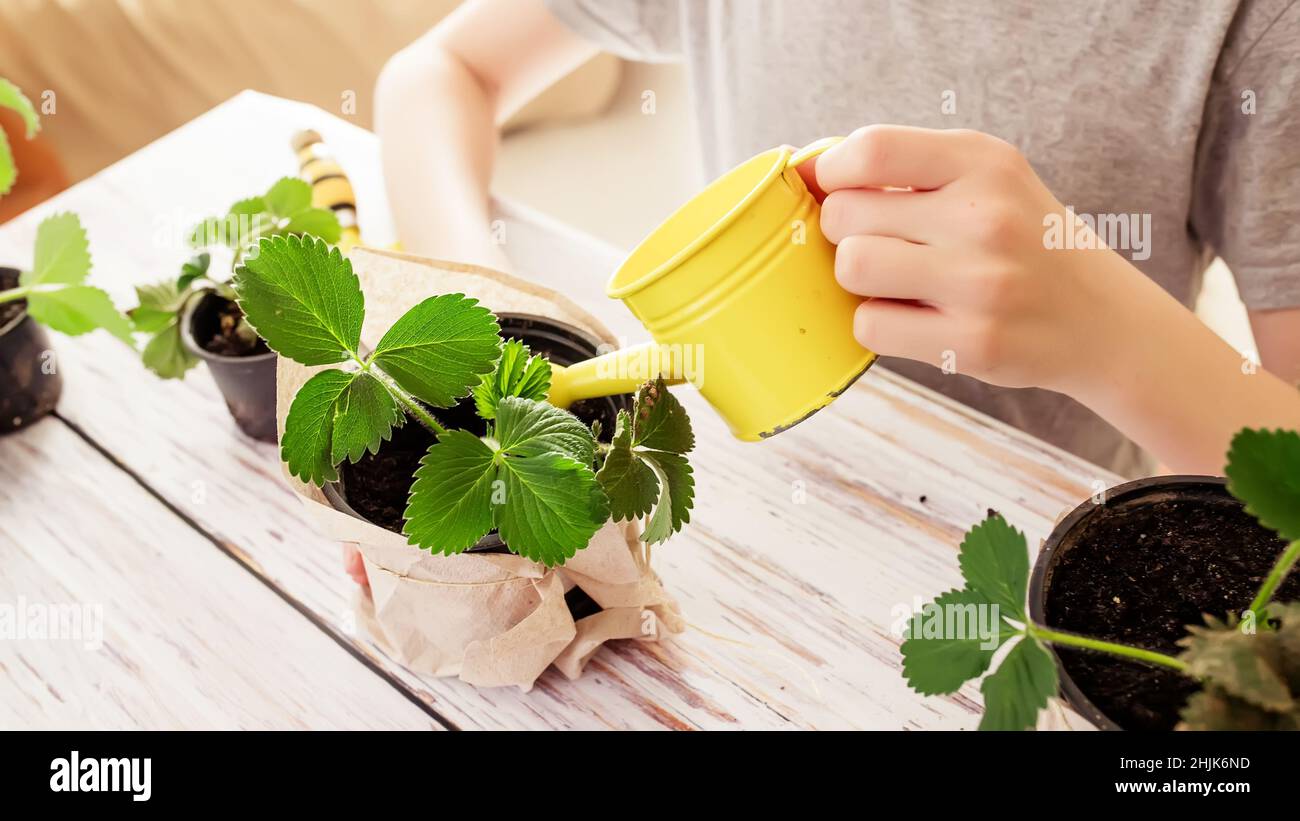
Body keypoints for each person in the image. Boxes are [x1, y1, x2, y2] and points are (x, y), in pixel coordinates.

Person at [356, 0, 1300, 586]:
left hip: (1046, 575)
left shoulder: (1255, 27)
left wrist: (1114, 338)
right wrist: (492, 305)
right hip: (742, 542)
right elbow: (442, 72)